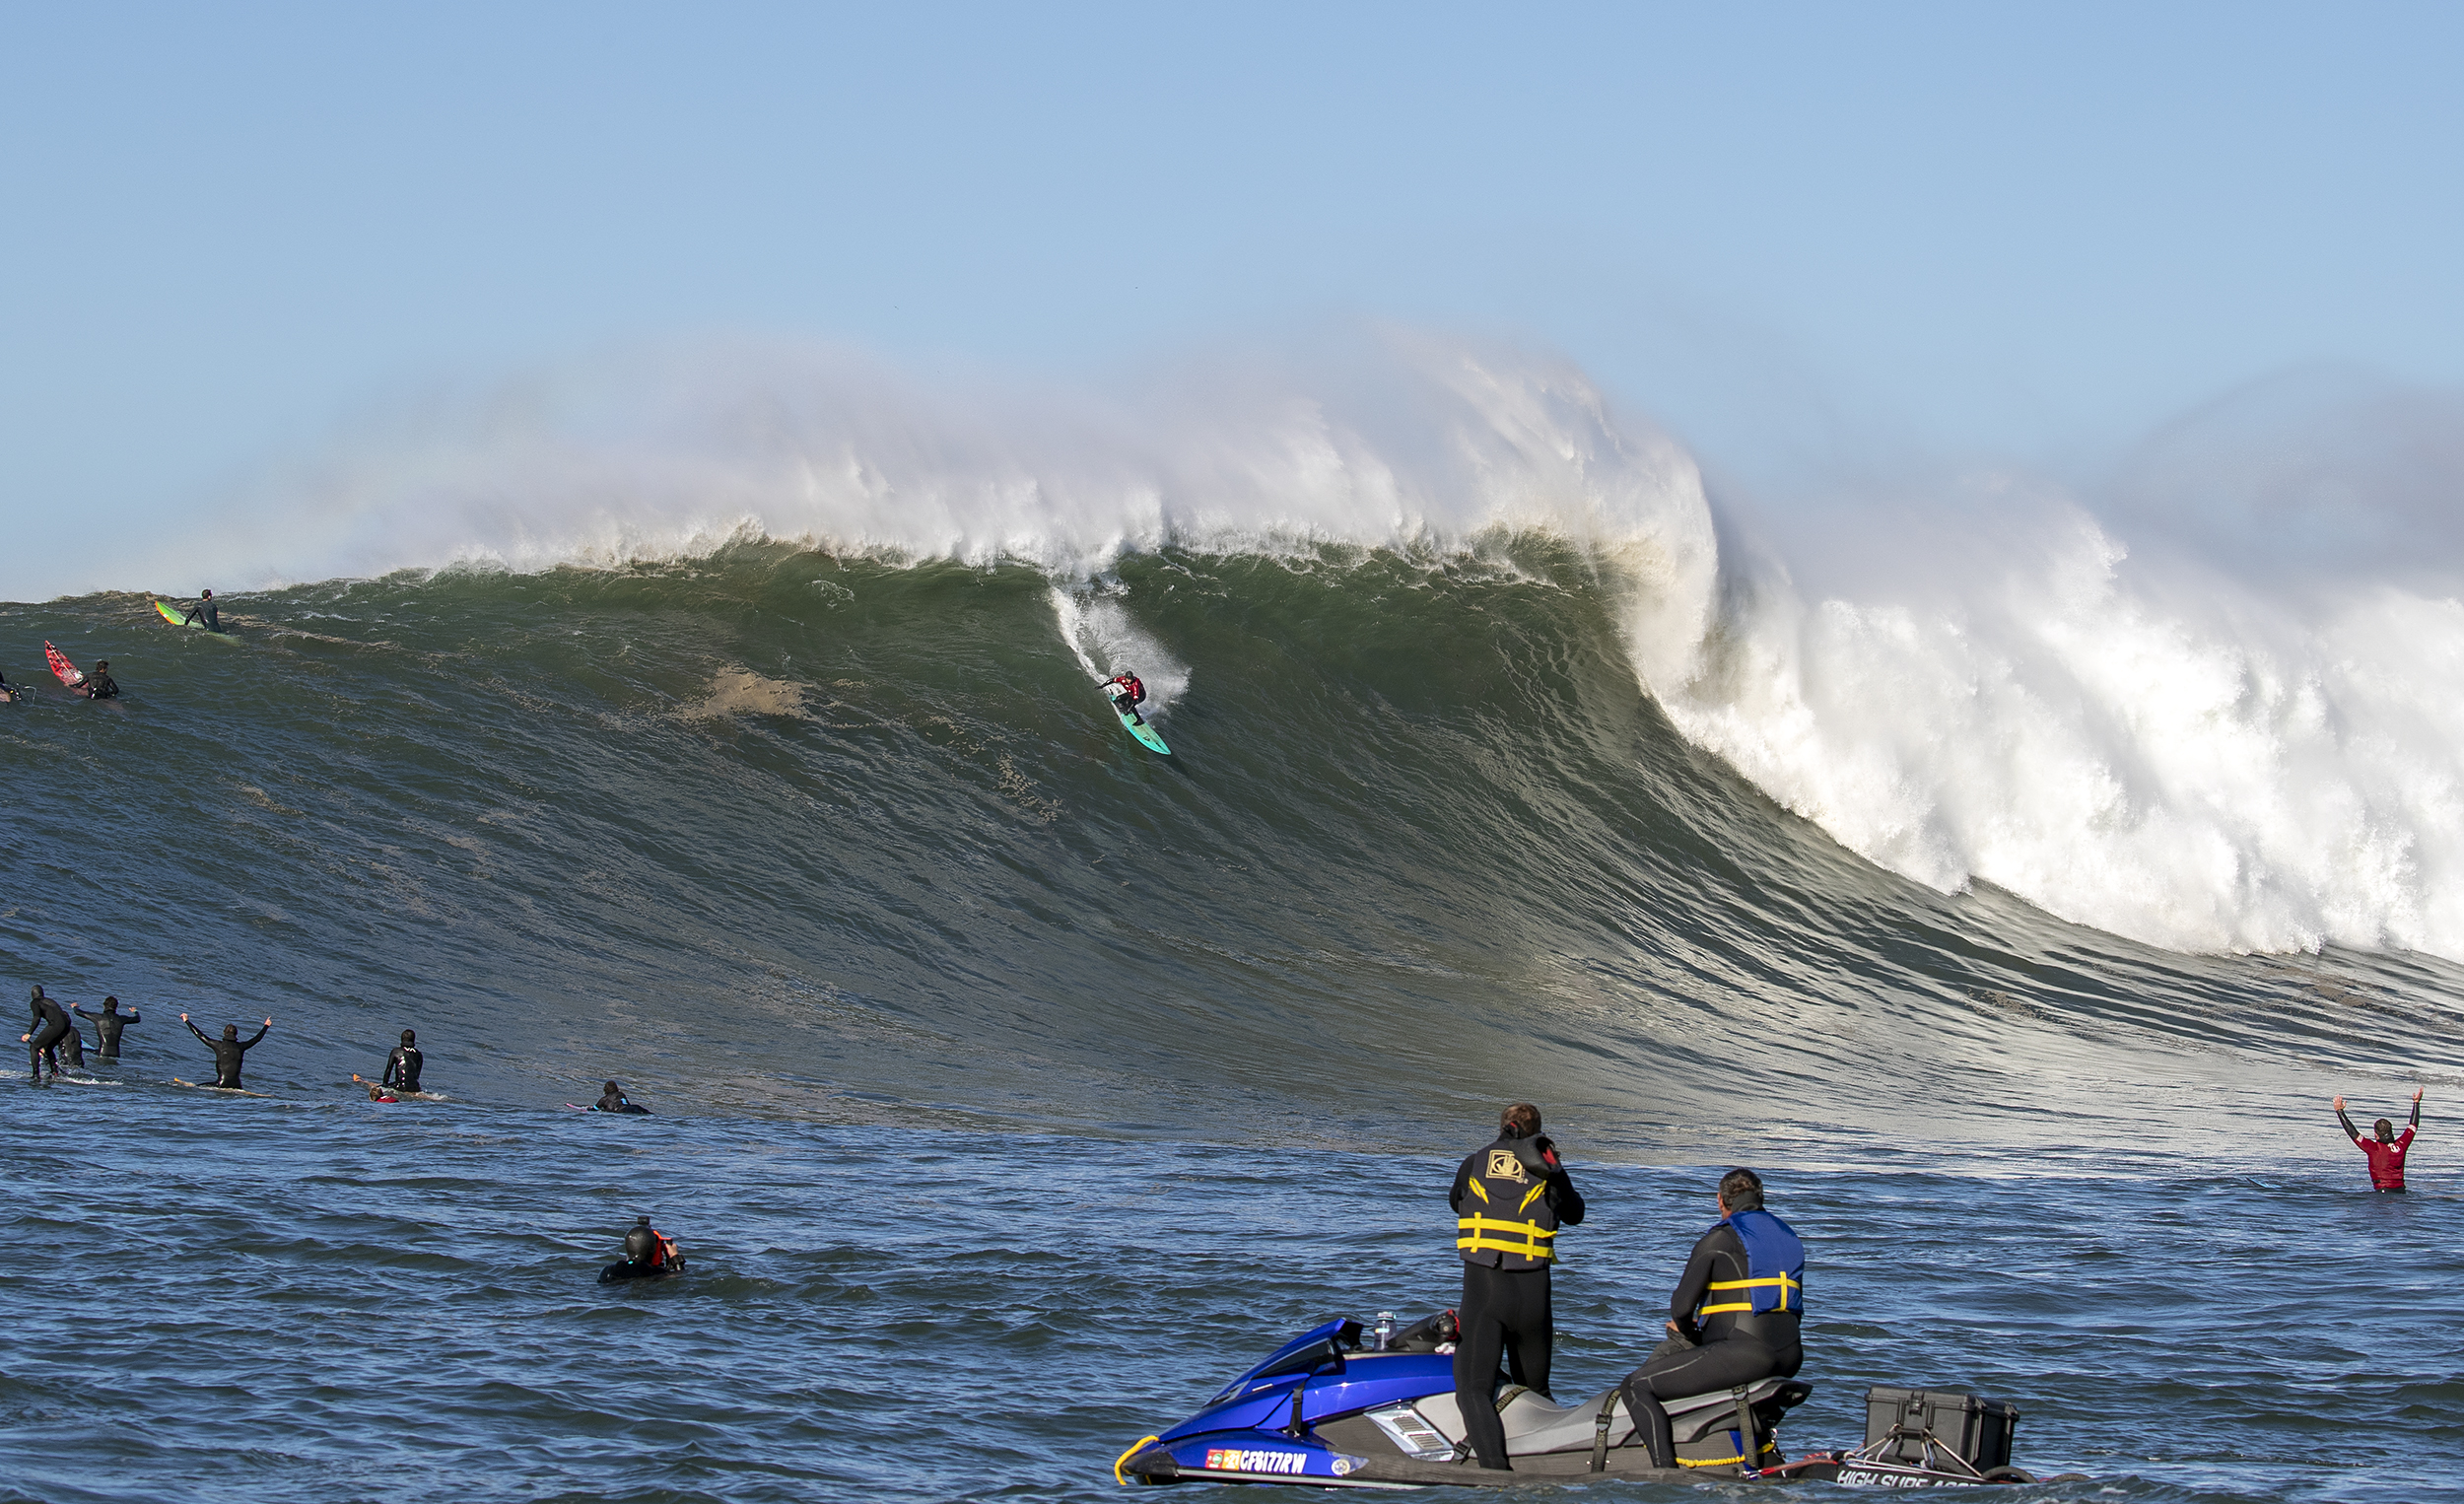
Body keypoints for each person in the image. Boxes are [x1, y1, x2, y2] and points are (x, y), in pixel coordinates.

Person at [1620, 1168, 1805, 1470]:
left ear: (1720, 1201)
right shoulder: (1789, 1237)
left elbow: (1680, 1308)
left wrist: (1687, 1330)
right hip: (1790, 1357)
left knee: (1637, 1387)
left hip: (1745, 1354)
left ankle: (1665, 1472)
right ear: (1761, 1198)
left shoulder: (1720, 1238)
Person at [1449, 1102, 1586, 1470]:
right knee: (1536, 1393)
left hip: (1485, 1294)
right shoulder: (1550, 1170)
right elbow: (1576, 1213)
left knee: (1474, 1391)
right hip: (1533, 1299)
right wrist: (1552, 1169)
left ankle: (1496, 1472)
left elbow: (1453, 1201)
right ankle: (1559, 1465)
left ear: (1502, 1127)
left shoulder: (1474, 1162)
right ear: (1537, 1132)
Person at [2335, 1090, 2423, 1192]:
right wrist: (2416, 1103)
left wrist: (2339, 1111)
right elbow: (2413, 1126)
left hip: (2383, 1193)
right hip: (2401, 1191)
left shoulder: (2374, 1148)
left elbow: (2353, 1133)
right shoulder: (2402, 1145)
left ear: (2376, 1135)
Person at [181, 1013, 272, 1089]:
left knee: (196, 1087)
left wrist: (187, 1021)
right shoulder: (241, 1046)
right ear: (236, 1034)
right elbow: (256, 1039)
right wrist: (266, 1026)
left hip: (222, 1084)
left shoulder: (219, 1046)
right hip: (237, 1085)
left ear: (224, 1033)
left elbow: (200, 1035)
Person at [598, 1216, 685, 1281]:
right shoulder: (656, 1272)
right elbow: (680, 1278)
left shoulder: (607, 1271)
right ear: (652, 1250)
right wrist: (675, 1257)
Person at [23, 986, 76, 1081]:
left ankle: (35, 1075)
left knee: (34, 1047)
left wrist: (29, 1033)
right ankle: (54, 1072)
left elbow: (36, 1017)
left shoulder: (35, 1002)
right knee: (48, 1048)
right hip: (66, 1024)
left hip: (57, 1024)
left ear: (32, 994)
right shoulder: (49, 1001)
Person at [72, 996, 141, 1060]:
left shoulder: (98, 1018)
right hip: (116, 1055)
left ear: (104, 1006)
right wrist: (135, 1011)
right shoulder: (121, 1019)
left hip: (102, 1053)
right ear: (116, 1007)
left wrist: (75, 1007)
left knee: (81, 1049)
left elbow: (78, 1012)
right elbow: (137, 1019)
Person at [380, 1029, 425, 1095]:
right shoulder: (419, 1054)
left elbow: (388, 1070)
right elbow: (417, 1074)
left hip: (400, 1087)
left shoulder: (396, 1051)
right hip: (415, 1087)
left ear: (402, 1039)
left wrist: (384, 1086)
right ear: (413, 1040)